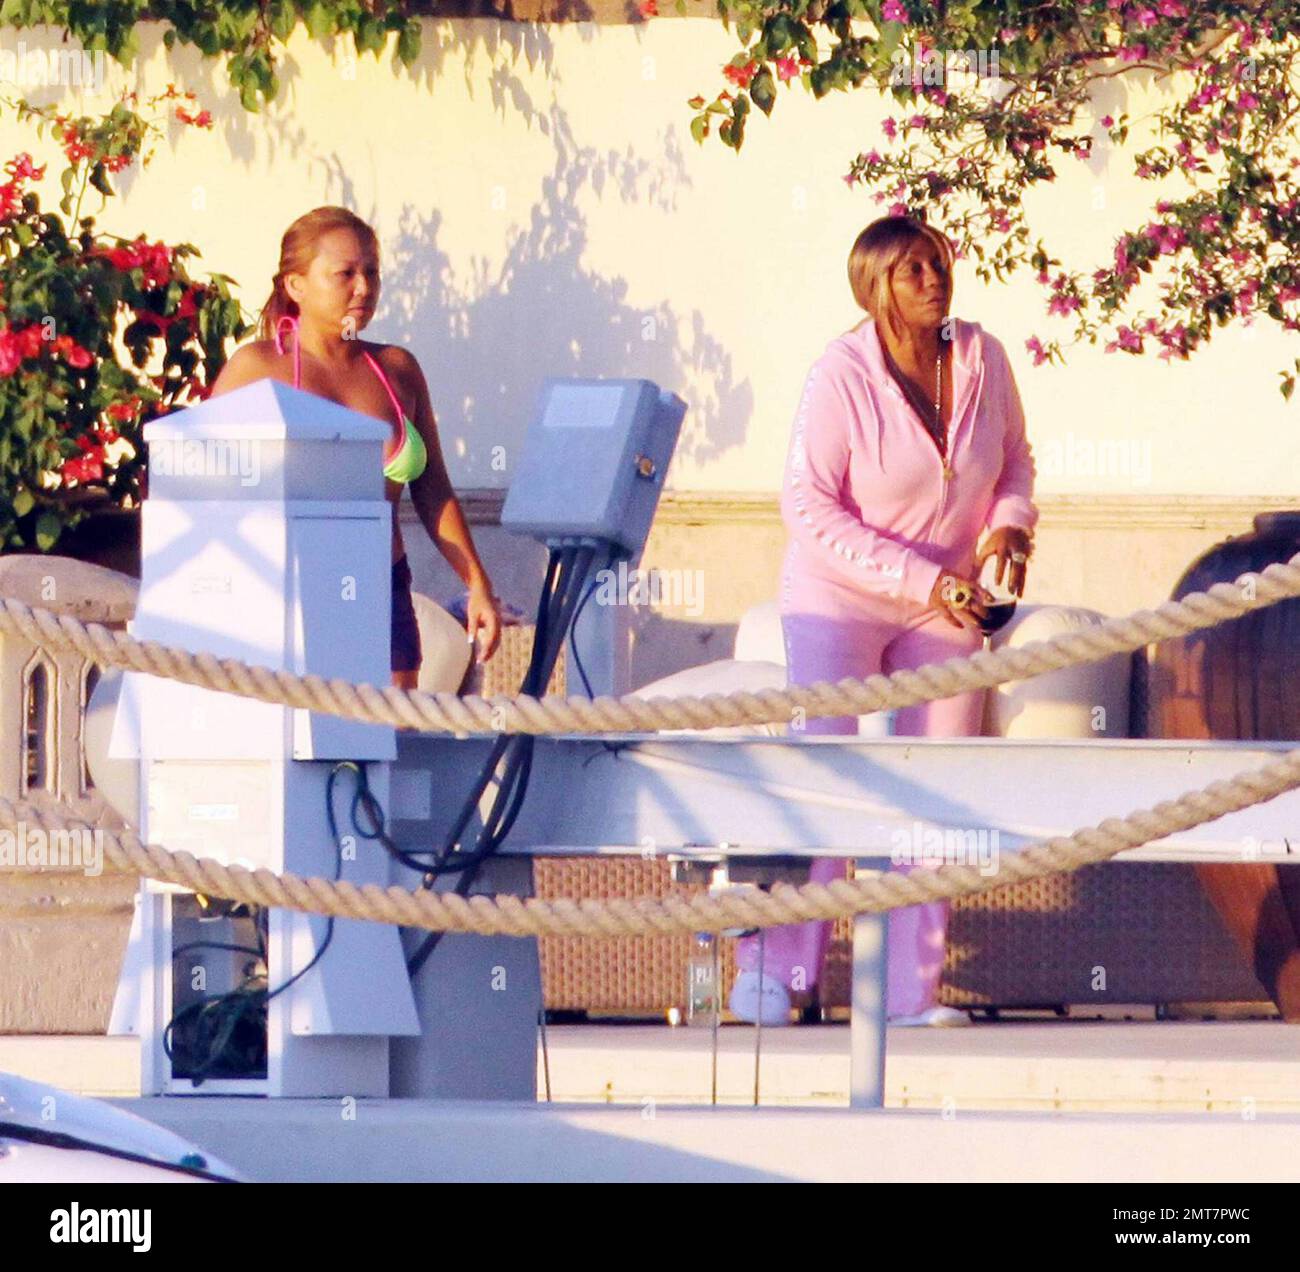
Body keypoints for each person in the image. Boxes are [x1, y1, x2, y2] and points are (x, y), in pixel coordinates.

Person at [729, 214, 1038, 1028]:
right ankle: (773, 971)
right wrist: (918, 576)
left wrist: (1009, 521)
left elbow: (1014, 459)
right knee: (824, 775)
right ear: (875, 287)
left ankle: (908, 994)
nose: (935, 279)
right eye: (912, 271)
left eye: (939, 263)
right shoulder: (839, 375)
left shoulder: (982, 357)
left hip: (950, 604)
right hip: (841, 596)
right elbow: (805, 505)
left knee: (938, 789)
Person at [209, 206, 501, 686]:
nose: (363, 287)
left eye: (371, 273)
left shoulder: (396, 369)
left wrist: (477, 584)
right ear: (295, 284)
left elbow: (433, 491)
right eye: (344, 273)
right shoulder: (258, 369)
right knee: (305, 749)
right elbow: (202, 484)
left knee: (389, 741)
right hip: (288, 591)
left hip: (382, 583)